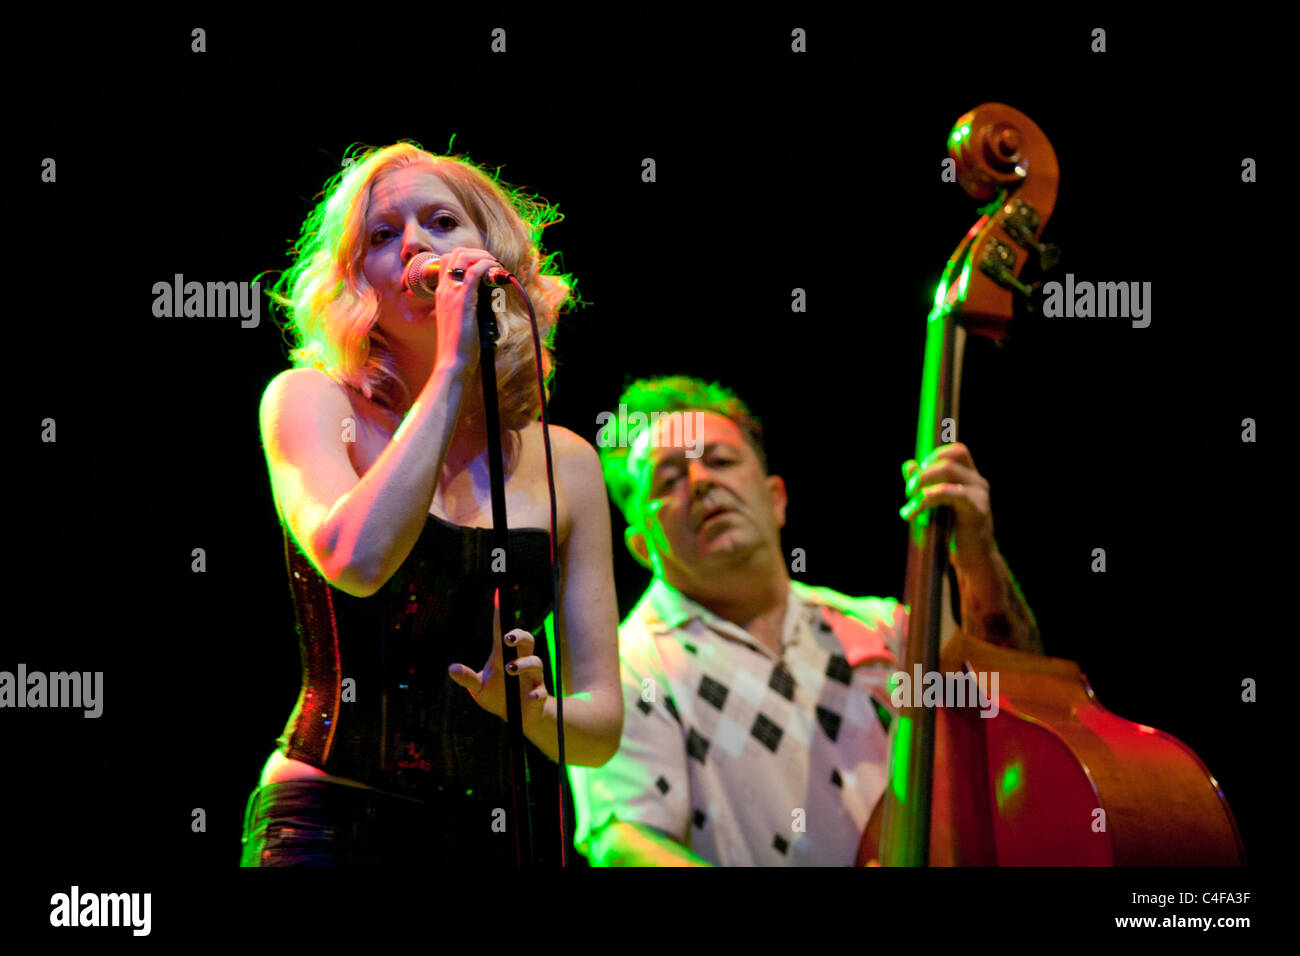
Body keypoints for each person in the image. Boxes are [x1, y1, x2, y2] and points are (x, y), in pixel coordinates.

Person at [240, 142, 622, 867]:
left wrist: (535, 713)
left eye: (442, 221)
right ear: (358, 283)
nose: (415, 243)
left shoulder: (565, 460)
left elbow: (600, 729)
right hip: (332, 818)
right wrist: (452, 368)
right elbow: (355, 561)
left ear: (495, 255)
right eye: (382, 236)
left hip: (496, 835)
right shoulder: (311, 401)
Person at [568, 376, 1043, 866]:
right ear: (643, 546)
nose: (702, 482)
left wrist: (977, 552)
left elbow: (1022, 705)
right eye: (669, 480)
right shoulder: (626, 667)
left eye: (721, 461)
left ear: (776, 497)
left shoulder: (884, 628)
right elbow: (623, 844)